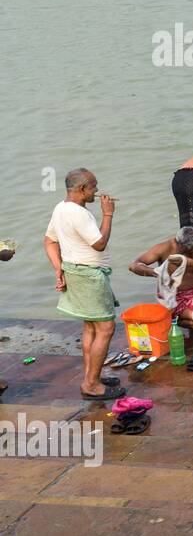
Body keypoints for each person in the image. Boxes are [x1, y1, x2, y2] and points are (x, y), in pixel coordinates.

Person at [43, 169, 121, 400]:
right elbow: (99, 244)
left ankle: (91, 375)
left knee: (91, 326)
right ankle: (91, 384)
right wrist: (108, 215)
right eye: (94, 187)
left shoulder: (61, 208)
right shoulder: (79, 214)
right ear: (82, 189)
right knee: (106, 328)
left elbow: (49, 241)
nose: (97, 191)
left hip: (75, 270)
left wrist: (59, 269)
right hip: (88, 275)